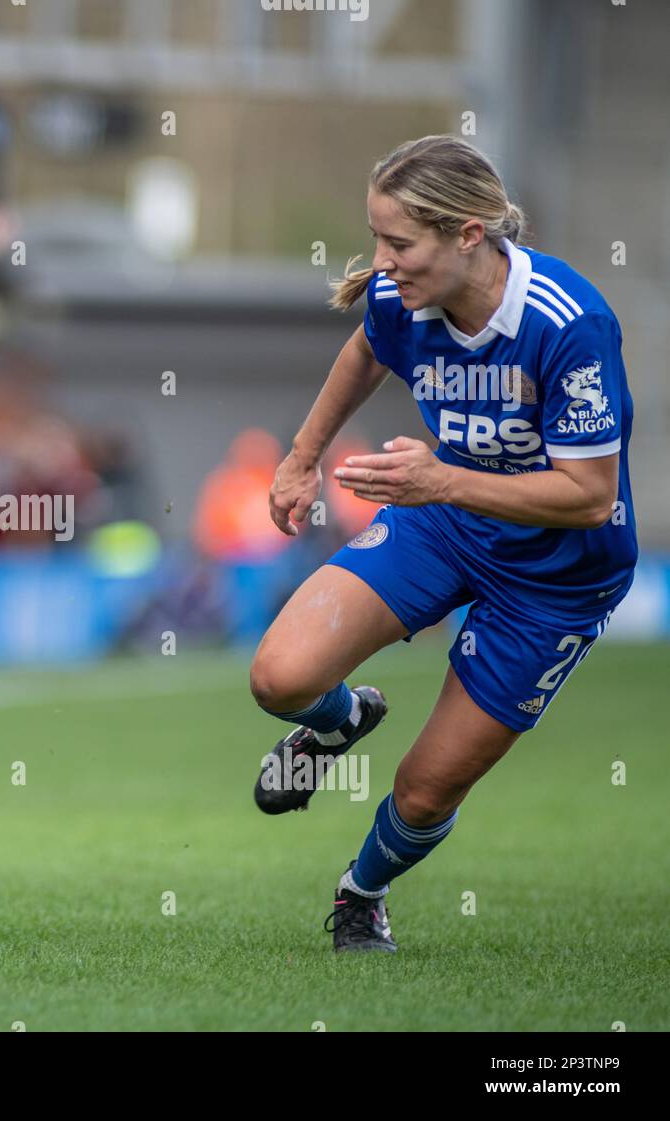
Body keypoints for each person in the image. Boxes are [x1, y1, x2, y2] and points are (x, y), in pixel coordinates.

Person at [248, 136, 636, 953]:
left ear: (467, 235)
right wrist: (300, 457)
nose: (382, 263)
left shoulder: (568, 323)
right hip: (447, 520)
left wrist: (442, 482)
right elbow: (366, 350)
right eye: (377, 239)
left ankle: (362, 892)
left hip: (557, 575)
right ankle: (337, 721)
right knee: (279, 676)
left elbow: (590, 496)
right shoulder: (402, 296)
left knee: (425, 791)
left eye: (398, 243)